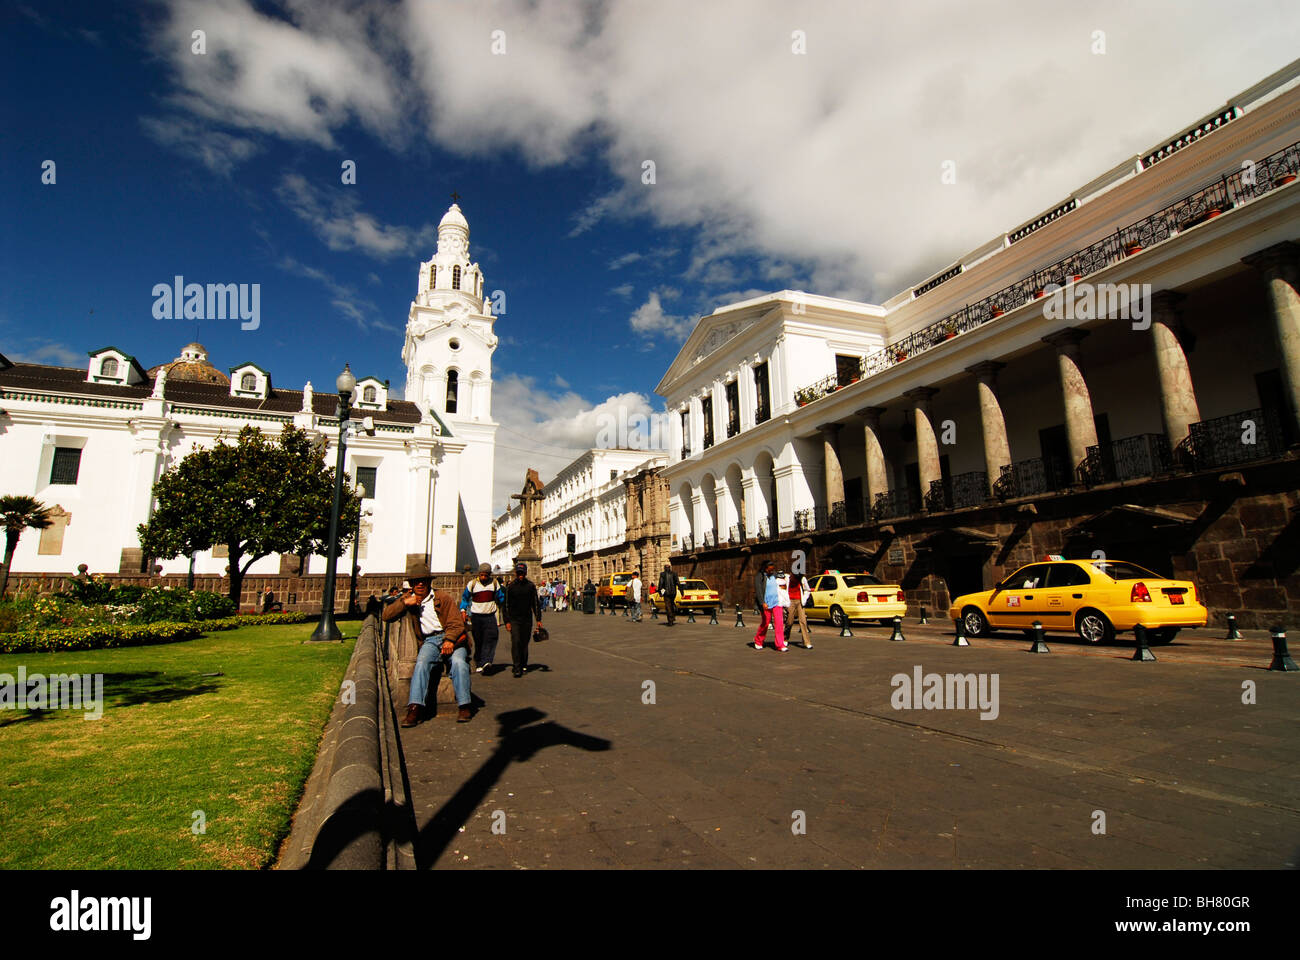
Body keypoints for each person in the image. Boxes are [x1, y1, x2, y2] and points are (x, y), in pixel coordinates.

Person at [384, 560, 473, 725]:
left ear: (428, 582)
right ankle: (415, 708)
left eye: (423, 581)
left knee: (459, 663)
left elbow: (456, 624)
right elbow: (386, 616)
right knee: (422, 663)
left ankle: (464, 705)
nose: (419, 584)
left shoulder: (442, 598)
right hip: (430, 640)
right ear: (411, 584)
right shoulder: (409, 600)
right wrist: (404, 603)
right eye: (416, 582)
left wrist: (449, 640)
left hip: (451, 637)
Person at [461, 562, 505, 674]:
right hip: (476, 616)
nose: (484, 577)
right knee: (479, 639)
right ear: (479, 574)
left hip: (490, 615)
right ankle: (479, 661)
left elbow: (501, 597)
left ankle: (487, 661)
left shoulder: (494, 584)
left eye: (486, 575)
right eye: (482, 575)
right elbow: (465, 598)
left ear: (489, 575)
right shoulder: (472, 584)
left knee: (491, 638)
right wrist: (463, 610)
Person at [503, 563, 542, 678]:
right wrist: (507, 621)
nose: (520, 576)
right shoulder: (510, 587)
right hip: (514, 619)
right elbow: (505, 605)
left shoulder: (530, 586)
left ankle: (523, 664)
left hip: (526, 619)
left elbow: (535, 603)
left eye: (522, 573)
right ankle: (516, 666)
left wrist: (538, 619)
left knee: (524, 643)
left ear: (525, 573)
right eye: (519, 573)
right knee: (516, 642)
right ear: (516, 573)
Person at [753, 560, 787, 652]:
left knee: (779, 623)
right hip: (766, 603)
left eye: (773, 569)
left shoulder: (775, 575)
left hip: (777, 602)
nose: (771, 571)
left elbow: (783, 581)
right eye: (770, 570)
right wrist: (762, 602)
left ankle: (780, 644)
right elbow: (759, 590)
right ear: (765, 568)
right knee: (765, 623)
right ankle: (758, 640)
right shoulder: (759, 576)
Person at [788, 571, 813, 649]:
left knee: (803, 621)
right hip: (790, 601)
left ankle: (807, 642)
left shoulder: (802, 579)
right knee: (789, 621)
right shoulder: (787, 579)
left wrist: (804, 599)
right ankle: (785, 638)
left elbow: (807, 590)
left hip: (800, 601)